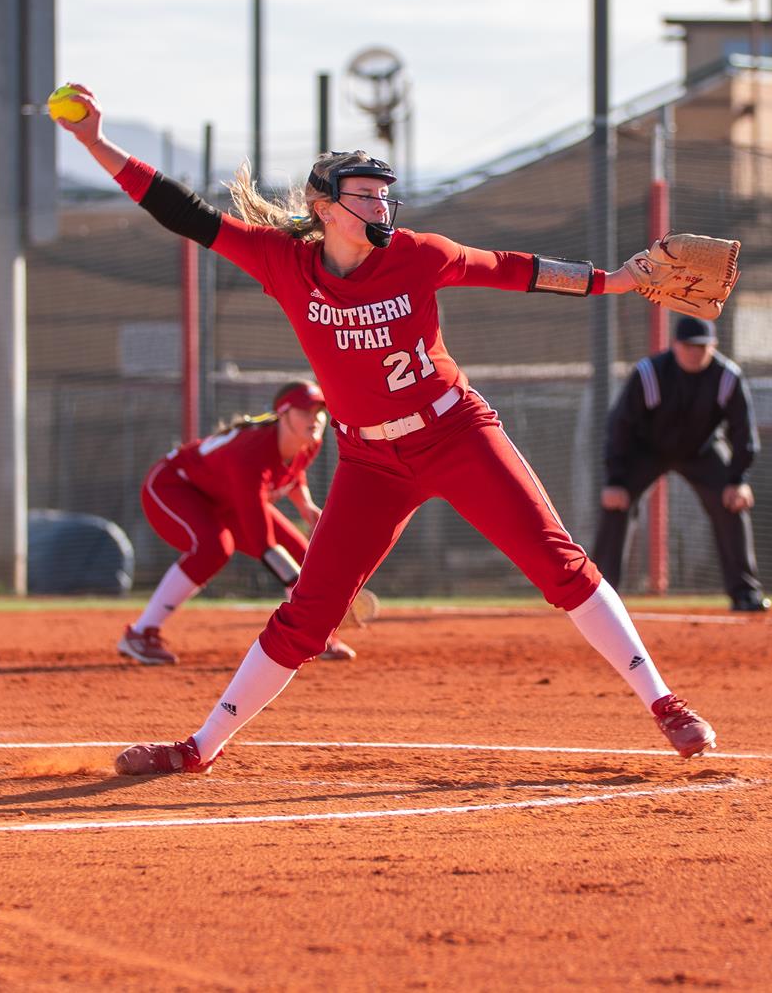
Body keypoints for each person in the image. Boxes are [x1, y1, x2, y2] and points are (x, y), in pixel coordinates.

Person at [54, 82, 718, 777]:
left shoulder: (418, 254)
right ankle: (198, 749)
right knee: (310, 614)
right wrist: (97, 143)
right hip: (370, 462)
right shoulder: (284, 262)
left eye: (382, 195)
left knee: (559, 564)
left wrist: (610, 281)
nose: (379, 205)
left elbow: (513, 270)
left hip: (456, 433)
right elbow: (183, 213)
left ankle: (665, 703)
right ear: (323, 209)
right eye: (363, 195)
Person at [120, 379, 358, 665]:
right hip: (173, 486)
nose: (315, 418)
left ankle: (315, 634)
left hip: (223, 494)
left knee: (303, 554)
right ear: (282, 414)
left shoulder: (310, 442)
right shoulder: (250, 457)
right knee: (215, 547)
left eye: (319, 411)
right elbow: (263, 545)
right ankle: (141, 633)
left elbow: (293, 473)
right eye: (305, 411)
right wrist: (307, 591)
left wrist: (305, 505)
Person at [595, 314, 771, 612]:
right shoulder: (650, 373)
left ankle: (745, 593)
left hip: (701, 450)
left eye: (702, 346)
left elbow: (743, 432)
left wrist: (738, 480)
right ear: (674, 345)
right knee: (617, 503)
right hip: (646, 448)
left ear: (713, 346)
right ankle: (599, 596)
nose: (695, 352)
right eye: (688, 345)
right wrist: (615, 480)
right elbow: (620, 427)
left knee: (732, 502)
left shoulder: (727, 376)